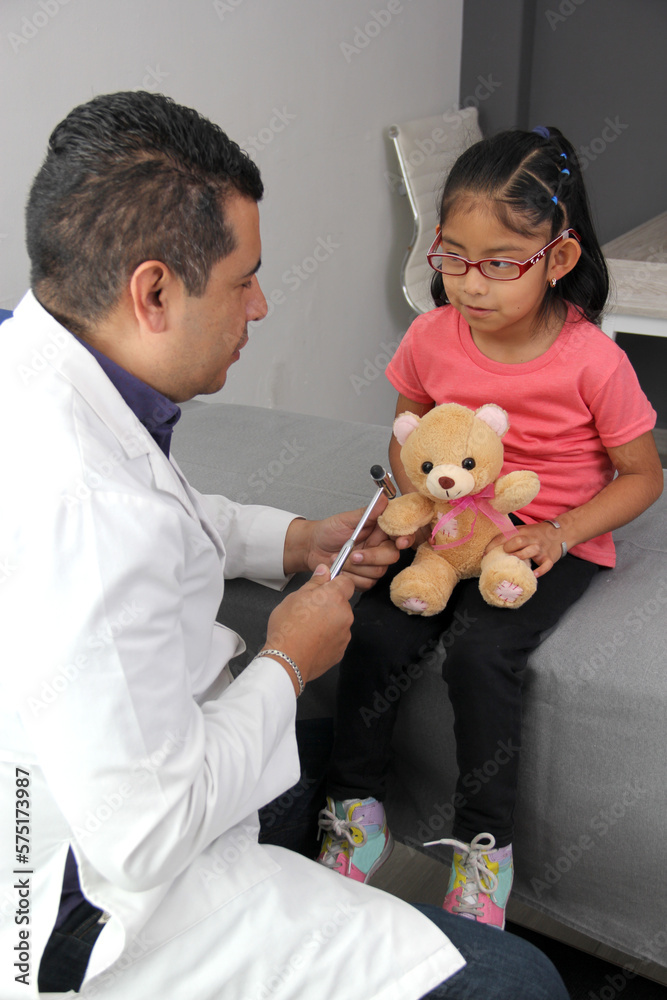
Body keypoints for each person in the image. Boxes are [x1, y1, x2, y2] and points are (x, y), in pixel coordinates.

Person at [0, 93, 571, 1000]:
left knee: (319, 748)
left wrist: (299, 539)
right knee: (520, 983)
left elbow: (167, 510)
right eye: (244, 281)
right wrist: (287, 659)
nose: (261, 306)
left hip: (79, 773)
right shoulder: (88, 510)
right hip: (96, 903)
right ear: (154, 292)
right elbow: (143, 836)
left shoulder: (37, 364)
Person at [316, 126, 663, 930]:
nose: (471, 284)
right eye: (453, 257)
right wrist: (413, 506)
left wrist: (561, 534)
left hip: (539, 538)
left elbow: (643, 475)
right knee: (374, 629)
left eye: (501, 263)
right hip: (451, 528)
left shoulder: (591, 360)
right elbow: (405, 431)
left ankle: (482, 851)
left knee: (479, 654)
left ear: (558, 258)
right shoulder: (429, 336)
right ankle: (353, 811)